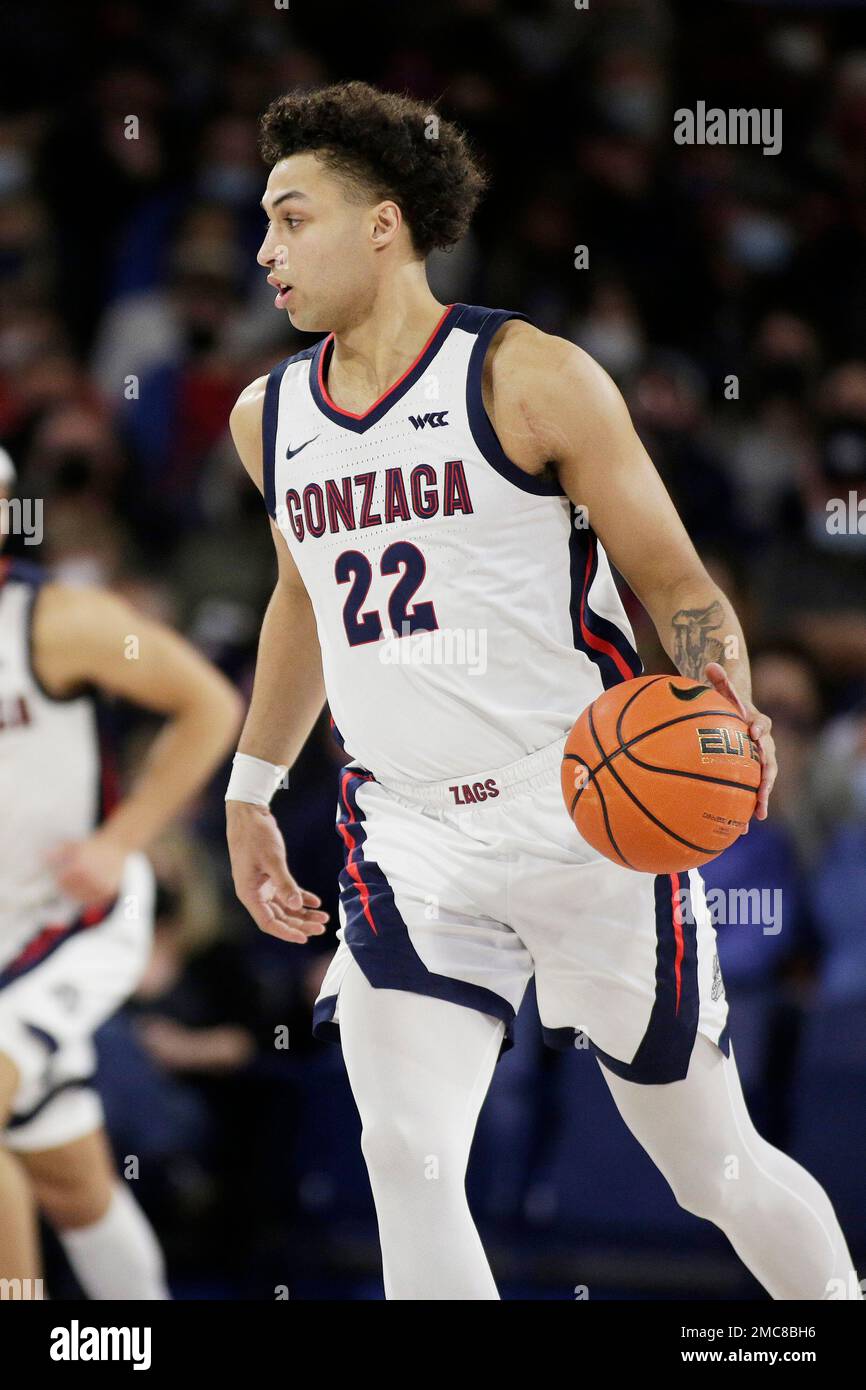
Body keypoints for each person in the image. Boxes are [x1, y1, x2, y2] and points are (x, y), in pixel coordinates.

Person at [225, 81, 862, 1301]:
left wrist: (725, 697)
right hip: (407, 830)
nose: (263, 249)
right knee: (404, 1154)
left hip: (589, 811)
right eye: (262, 222)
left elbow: (675, 580)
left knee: (711, 1170)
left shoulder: (531, 375)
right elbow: (300, 597)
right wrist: (254, 786)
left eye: (290, 218)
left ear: (383, 225)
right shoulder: (270, 417)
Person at [0, 446, 243, 1298]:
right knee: (69, 1178)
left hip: (75, 916)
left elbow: (209, 702)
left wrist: (125, 839)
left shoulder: (59, 620)